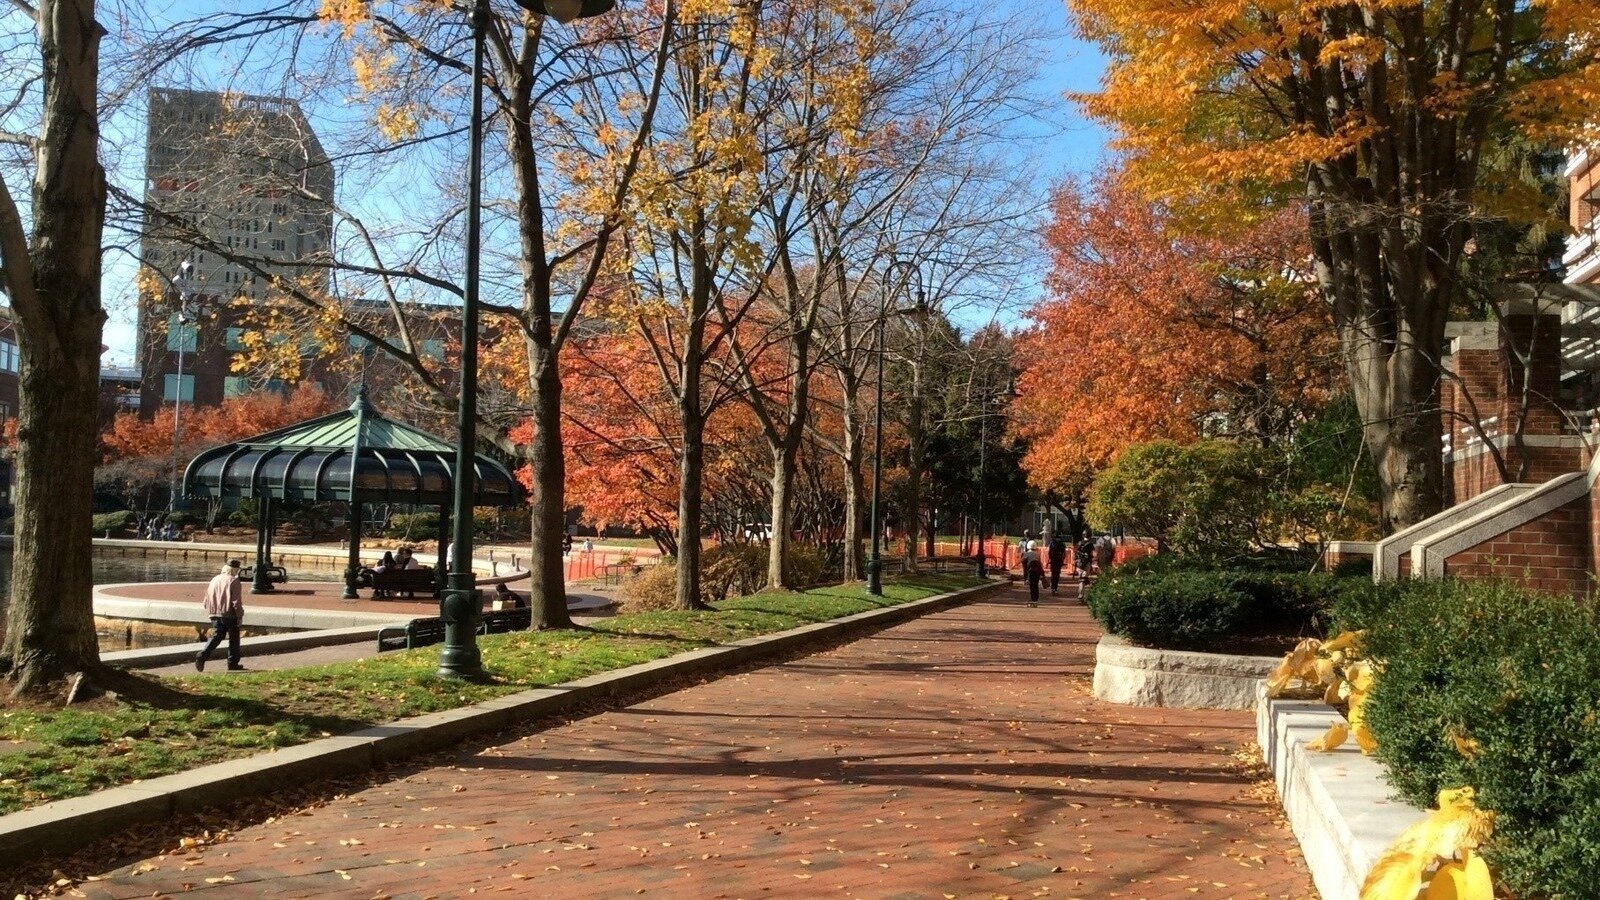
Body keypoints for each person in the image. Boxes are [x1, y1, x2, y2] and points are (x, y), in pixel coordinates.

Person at [196, 559, 246, 672]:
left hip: (214, 612)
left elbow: (207, 597)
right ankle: (232, 663)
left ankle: (203, 655)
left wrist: (209, 609)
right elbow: (236, 602)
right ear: (235, 570)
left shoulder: (215, 579)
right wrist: (240, 615)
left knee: (217, 636)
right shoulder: (234, 581)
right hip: (229, 613)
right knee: (234, 639)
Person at [1020, 530, 1042, 606]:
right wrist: (1042, 574)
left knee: (1032, 585)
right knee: (1036, 585)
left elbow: (1022, 561)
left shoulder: (1026, 554)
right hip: (1037, 572)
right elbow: (1040, 564)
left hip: (1031, 571)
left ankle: (1033, 598)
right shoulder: (1037, 554)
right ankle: (1036, 598)